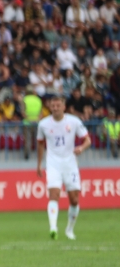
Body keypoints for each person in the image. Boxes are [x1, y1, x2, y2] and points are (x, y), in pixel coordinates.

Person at [36, 95, 89, 241]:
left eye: (58, 105)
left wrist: (81, 148)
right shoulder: (43, 124)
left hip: (70, 164)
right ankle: (53, 227)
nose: (55, 108)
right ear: (50, 107)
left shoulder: (74, 121)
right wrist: (39, 164)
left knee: (74, 200)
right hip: (53, 164)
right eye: (53, 106)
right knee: (54, 195)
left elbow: (87, 140)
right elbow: (40, 144)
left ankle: (69, 229)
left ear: (64, 107)